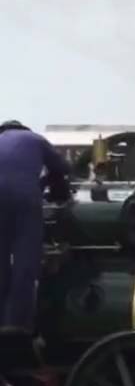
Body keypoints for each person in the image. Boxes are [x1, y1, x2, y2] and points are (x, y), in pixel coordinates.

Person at [0, 120, 70, 333]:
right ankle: (17, 327)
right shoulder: (35, 139)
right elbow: (64, 168)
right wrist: (49, 186)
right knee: (25, 265)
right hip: (25, 201)